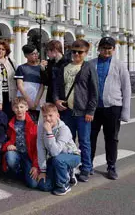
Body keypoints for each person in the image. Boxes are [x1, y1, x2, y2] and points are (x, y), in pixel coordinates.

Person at [53, 40, 98, 183]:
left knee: (84, 142)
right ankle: (70, 167)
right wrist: (56, 100)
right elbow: (56, 87)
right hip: (66, 111)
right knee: (67, 141)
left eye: (80, 52)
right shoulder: (65, 67)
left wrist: (90, 111)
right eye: (74, 51)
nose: (76, 54)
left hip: (83, 111)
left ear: (86, 53)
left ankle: (86, 168)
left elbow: (94, 92)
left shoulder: (89, 67)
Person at [89, 37, 131, 180]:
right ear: (99, 49)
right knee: (90, 137)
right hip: (93, 108)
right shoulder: (90, 64)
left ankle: (111, 167)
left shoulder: (119, 65)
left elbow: (126, 88)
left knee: (111, 138)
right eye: (103, 47)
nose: (106, 50)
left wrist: (125, 111)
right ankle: (88, 165)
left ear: (113, 49)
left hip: (113, 107)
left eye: (109, 48)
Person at [37, 103, 81, 196]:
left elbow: (55, 152)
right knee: (44, 186)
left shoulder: (64, 129)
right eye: (45, 116)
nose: (47, 119)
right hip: (54, 158)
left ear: (57, 116)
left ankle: (64, 185)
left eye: (50, 115)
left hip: (71, 156)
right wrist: (43, 170)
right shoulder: (41, 127)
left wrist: (49, 132)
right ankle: (64, 175)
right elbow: (40, 148)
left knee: (59, 159)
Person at [2, 97, 38, 188]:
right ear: (13, 109)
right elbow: (5, 139)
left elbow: (38, 147)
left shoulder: (34, 123)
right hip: (17, 152)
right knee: (10, 157)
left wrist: (35, 165)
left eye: (22, 107)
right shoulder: (11, 123)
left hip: (29, 155)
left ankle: (23, 171)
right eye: (16, 107)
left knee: (33, 184)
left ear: (26, 108)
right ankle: (16, 171)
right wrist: (8, 145)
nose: (19, 110)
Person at [15, 44, 45, 123]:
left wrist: (36, 102)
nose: (36, 55)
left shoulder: (41, 69)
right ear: (26, 56)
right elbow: (20, 85)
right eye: (32, 54)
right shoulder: (21, 68)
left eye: (36, 53)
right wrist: (29, 101)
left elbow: (42, 86)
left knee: (34, 125)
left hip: (36, 102)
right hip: (23, 102)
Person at [0, 40, 17, 120]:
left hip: (9, 93)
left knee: (9, 115)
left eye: (3, 49)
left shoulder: (11, 62)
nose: (0, 51)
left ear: (6, 51)